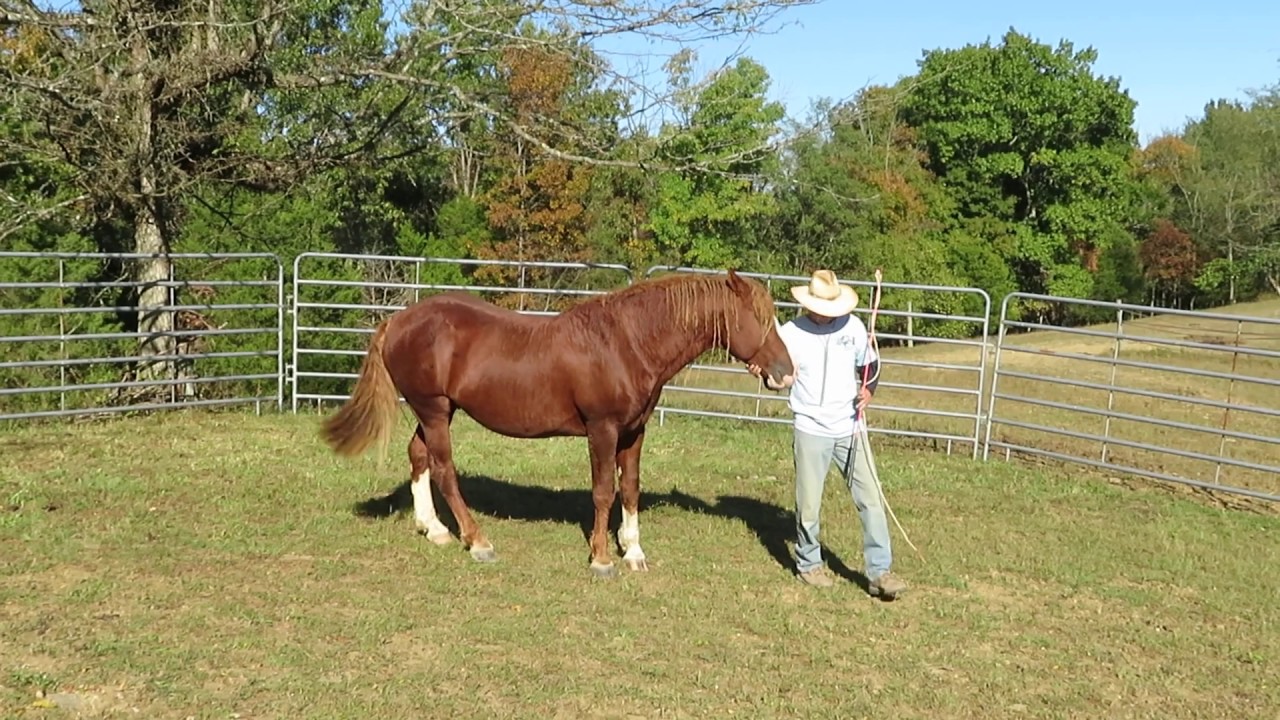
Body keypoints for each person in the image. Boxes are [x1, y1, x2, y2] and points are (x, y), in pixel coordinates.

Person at [749, 269, 907, 598]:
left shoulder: (854, 327)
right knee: (808, 505)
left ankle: (880, 571)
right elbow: (781, 379)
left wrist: (869, 393)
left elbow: (870, 366)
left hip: (850, 426)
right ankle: (809, 564)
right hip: (810, 427)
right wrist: (764, 376)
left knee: (871, 500)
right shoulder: (789, 333)